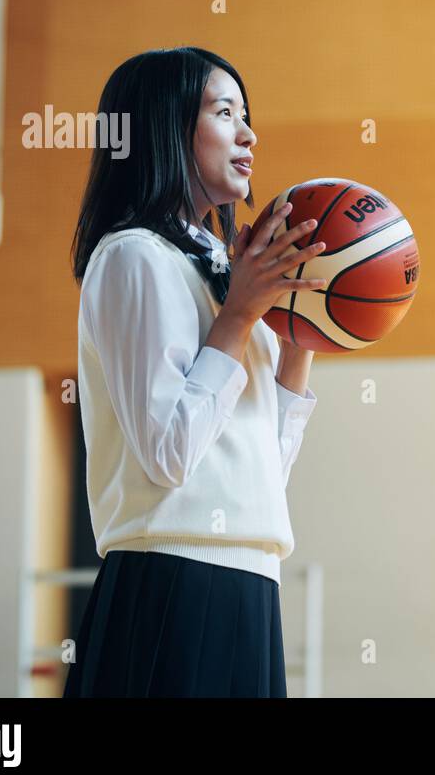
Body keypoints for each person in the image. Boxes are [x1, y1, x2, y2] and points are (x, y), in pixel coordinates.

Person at [63, 47, 327, 696]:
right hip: (172, 583)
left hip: (252, 581)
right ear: (163, 125)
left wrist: (299, 336)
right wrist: (238, 317)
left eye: (247, 115)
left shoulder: (224, 266)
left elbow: (265, 468)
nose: (248, 133)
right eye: (224, 112)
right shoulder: (132, 257)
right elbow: (167, 453)